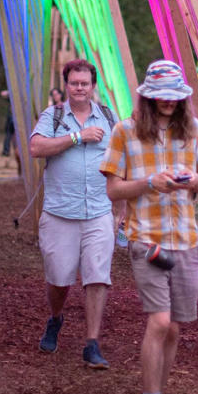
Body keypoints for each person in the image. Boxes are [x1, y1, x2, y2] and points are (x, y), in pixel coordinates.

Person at [101, 59, 198, 394]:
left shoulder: (194, 129)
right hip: (146, 240)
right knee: (160, 322)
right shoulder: (125, 131)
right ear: (148, 96)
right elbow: (113, 190)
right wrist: (150, 183)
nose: (168, 101)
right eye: (161, 95)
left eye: (174, 95)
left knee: (176, 328)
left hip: (185, 240)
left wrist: (192, 180)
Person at [29, 58, 116, 367]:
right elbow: (36, 148)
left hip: (99, 211)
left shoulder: (108, 116)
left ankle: (92, 344)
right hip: (60, 212)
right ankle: (56, 318)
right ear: (66, 85)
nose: (80, 88)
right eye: (74, 83)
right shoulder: (53, 116)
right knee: (59, 277)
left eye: (85, 83)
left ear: (93, 86)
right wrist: (78, 137)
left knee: (97, 276)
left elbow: (122, 158)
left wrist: (123, 204)